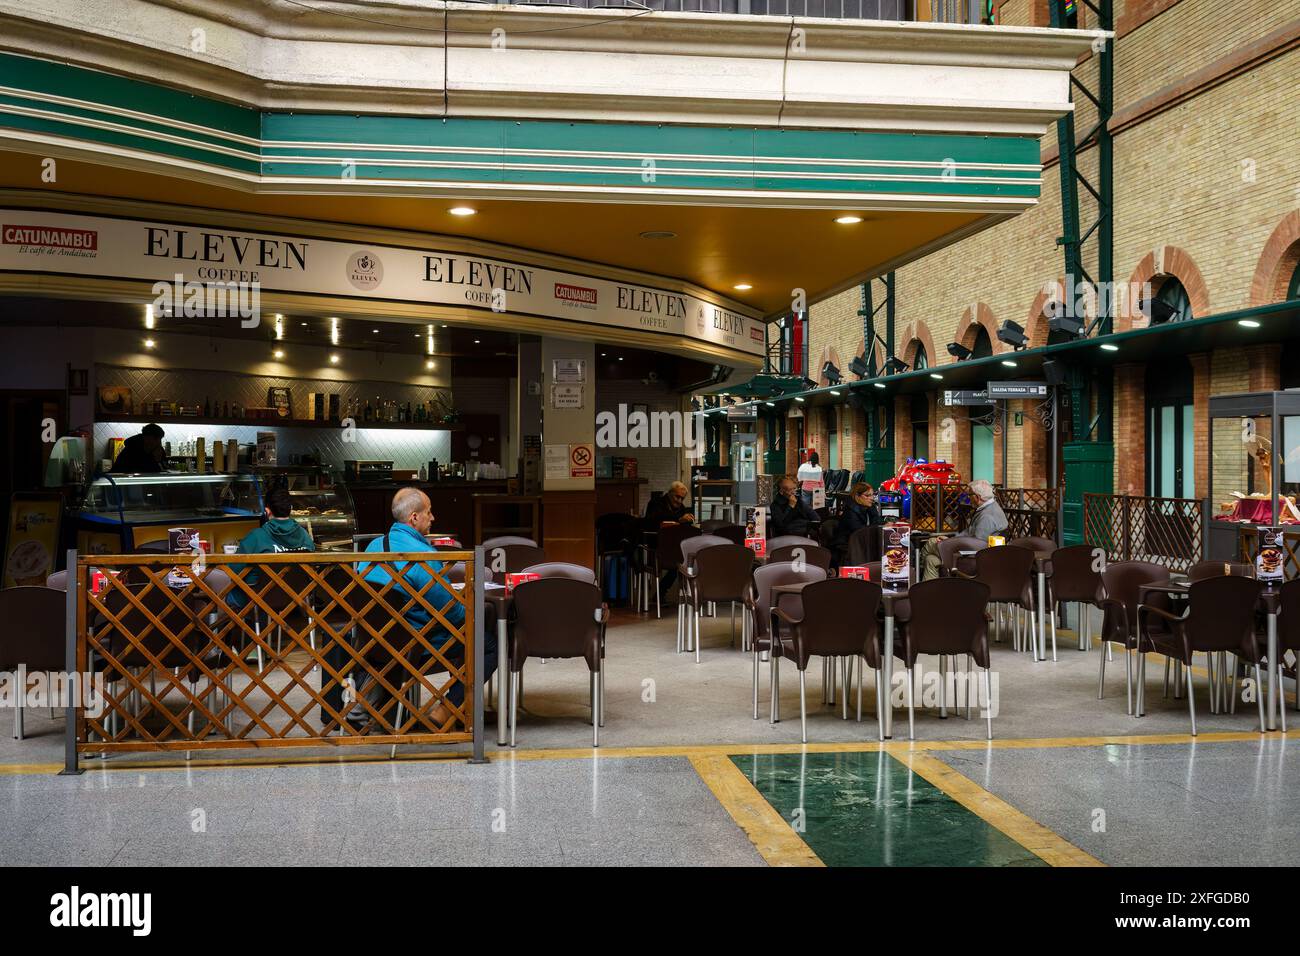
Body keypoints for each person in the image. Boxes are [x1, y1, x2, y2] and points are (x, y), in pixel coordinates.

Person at [352, 487, 498, 728]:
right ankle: (447, 711)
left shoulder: (374, 546)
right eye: (429, 512)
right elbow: (451, 611)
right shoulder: (422, 554)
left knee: (470, 635)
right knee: (487, 643)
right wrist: (472, 609)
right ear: (414, 518)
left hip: (377, 642)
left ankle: (463, 708)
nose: (433, 517)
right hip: (415, 644)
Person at [226, 486, 315, 611]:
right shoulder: (305, 536)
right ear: (290, 509)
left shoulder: (256, 537)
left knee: (222, 589)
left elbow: (233, 569)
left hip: (257, 600)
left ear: (267, 511)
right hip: (297, 600)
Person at [920, 478, 1008, 580]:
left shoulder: (987, 517)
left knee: (931, 542)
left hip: (971, 558)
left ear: (977, 497)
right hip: (967, 550)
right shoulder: (989, 507)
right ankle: (930, 593)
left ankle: (915, 572)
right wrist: (951, 540)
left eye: (969, 495)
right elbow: (970, 534)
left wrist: (951, 543)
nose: (968, 498)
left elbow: (977, 546)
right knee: (931, 560)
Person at [644, 480, 695, 603]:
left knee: (682, 561)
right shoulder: (656, 503)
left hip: (674, 546)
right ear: (670, 493)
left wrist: (689, 521)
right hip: (655, 544)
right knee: (678, 560)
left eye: (682, 498)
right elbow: (654, 519)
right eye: (677, 497)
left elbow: (682, 524)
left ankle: (662, 592)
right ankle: (660, 593)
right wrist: (678, 519)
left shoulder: (681, 508)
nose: (679, 501)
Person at [831, 482, 881, 565]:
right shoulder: (850, 512)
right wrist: (877, 527)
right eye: (867, 495)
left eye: (873, 495)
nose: (872, 498)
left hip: (863, 543)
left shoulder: (869, 506)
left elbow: (877, 521)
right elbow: (860, 532)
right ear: (857, 496)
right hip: (849, 546)